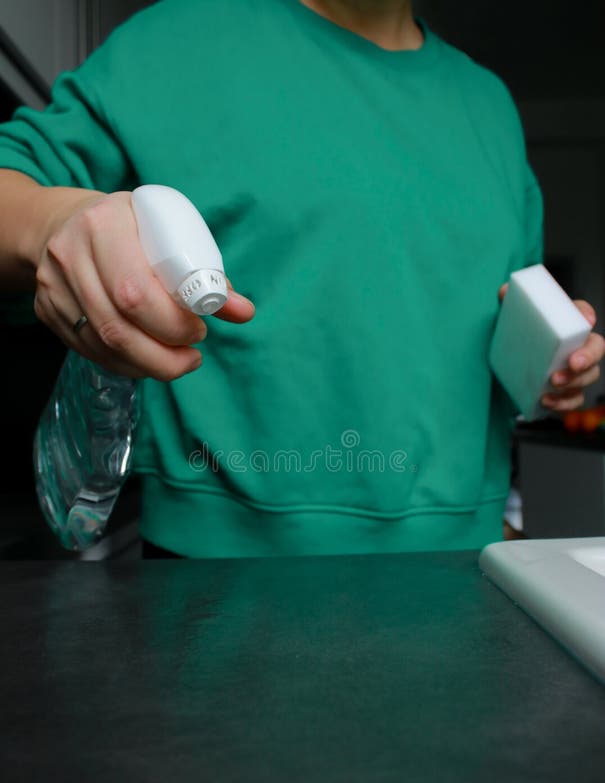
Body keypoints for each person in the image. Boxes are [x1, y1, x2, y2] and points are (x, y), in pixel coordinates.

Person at [0, 0, 603, 559]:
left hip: (468, 561)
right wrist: (54, 223)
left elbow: (494, 324)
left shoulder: (489, 105)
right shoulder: (176, 42)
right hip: (216, 585)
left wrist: (551, 372)